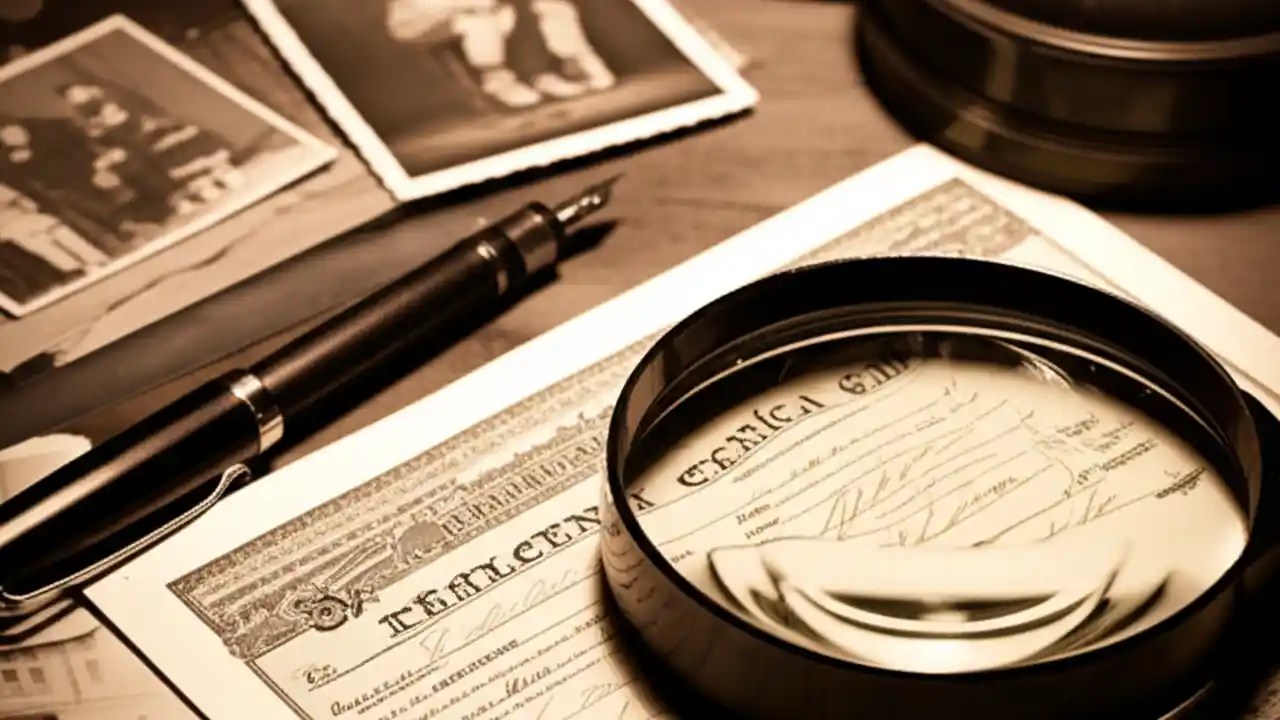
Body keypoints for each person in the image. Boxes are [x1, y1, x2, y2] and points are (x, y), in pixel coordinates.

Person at [387, 0, 616, 109]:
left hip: (469, 11)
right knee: (481, 19)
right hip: (419, 22)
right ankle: (497, 80)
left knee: (537, 8)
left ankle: (544, 73)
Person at [0, 115, 131, 257]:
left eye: (11, 131)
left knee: (93, 204)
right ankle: (108, 242)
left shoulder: (46, 129)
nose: (10, 137)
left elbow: (74, 144)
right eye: (5, 136)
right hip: (51, 190)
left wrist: (33, 152)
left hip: (78, 174)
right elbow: (16, 180)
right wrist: (16, 160)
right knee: (70, 213)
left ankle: (123, 228)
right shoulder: (8, 156)